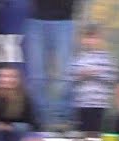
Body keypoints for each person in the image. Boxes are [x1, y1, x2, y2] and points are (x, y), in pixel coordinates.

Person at [24, 0, 80, 129]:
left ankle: (62, 118)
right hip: (35, 20)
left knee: (64, 74)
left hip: (64, 20)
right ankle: (40, 119)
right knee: (36, 76)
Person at [69, 24, 118, 141]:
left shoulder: (106, 58)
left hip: (99, 103)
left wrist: (97, 73)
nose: (91, 41)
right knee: (84, 131)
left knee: (96, 131)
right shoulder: (79, 58)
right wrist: (81, 75)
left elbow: (112, 77)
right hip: (83, 103)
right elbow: (71, 76)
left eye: (94, 38)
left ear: (100, 39)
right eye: (88, 38)